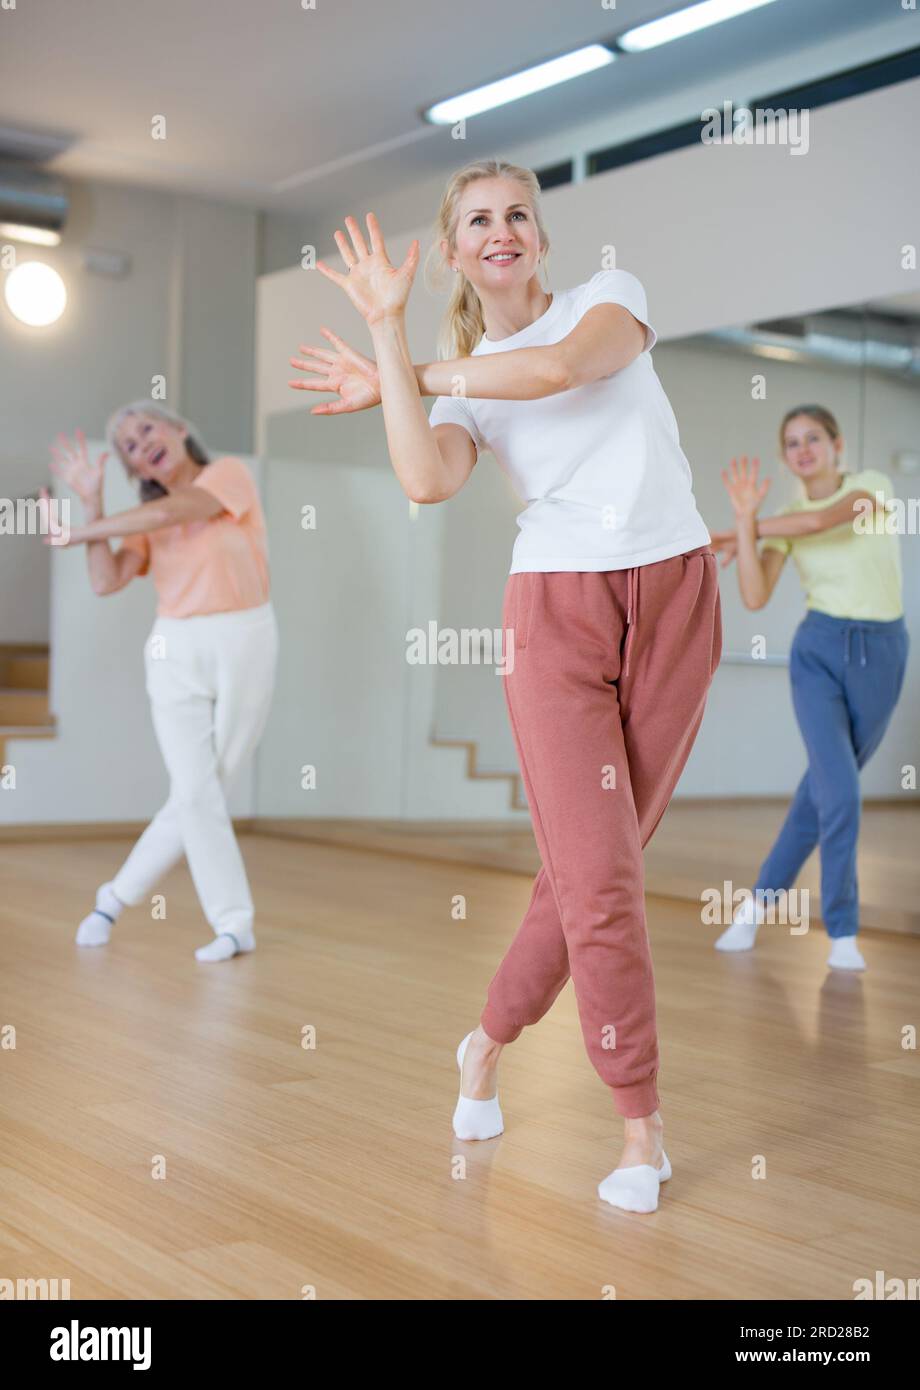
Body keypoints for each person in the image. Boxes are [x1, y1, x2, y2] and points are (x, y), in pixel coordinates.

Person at [288, 159, 721, 1213]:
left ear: (541, 236)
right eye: (477, 218)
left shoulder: (606, 300)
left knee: (585, 871)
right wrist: (389, 340)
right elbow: (424, 479)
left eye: (517, 214)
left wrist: (415, 370)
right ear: (451, 249)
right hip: (554, 616)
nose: (501, 230)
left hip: (677, 595)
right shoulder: (464, 378)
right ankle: (638, 1128)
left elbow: (563, 370)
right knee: (603, 881)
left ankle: (482, 1043)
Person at [41, 405, 278, 963]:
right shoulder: (144, 515)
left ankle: (111, 899)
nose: (138, 442)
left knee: (205, 789)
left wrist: (77, 530)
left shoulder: (226, 479)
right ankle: (234, 923)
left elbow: (169, 515)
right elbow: (106, 580)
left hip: (244, 636)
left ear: (177, 429)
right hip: (173, 650)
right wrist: (94, 506)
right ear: (134, 469)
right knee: (195, 791)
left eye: (145, 429)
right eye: (126, 444)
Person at [709, 408, 908, 969]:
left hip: (883, 652)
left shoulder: (871, 487)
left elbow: (825, 523)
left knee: (817, 796)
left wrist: (741, 527)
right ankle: (843, 930)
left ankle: (752, 909)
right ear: (785, 455)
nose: (802, 449)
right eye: (791, 442)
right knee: (839, 793)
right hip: (817, 654)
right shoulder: (785, 516)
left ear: (836, 444)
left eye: (812, 438)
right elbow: (753, 594)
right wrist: (746, 528)